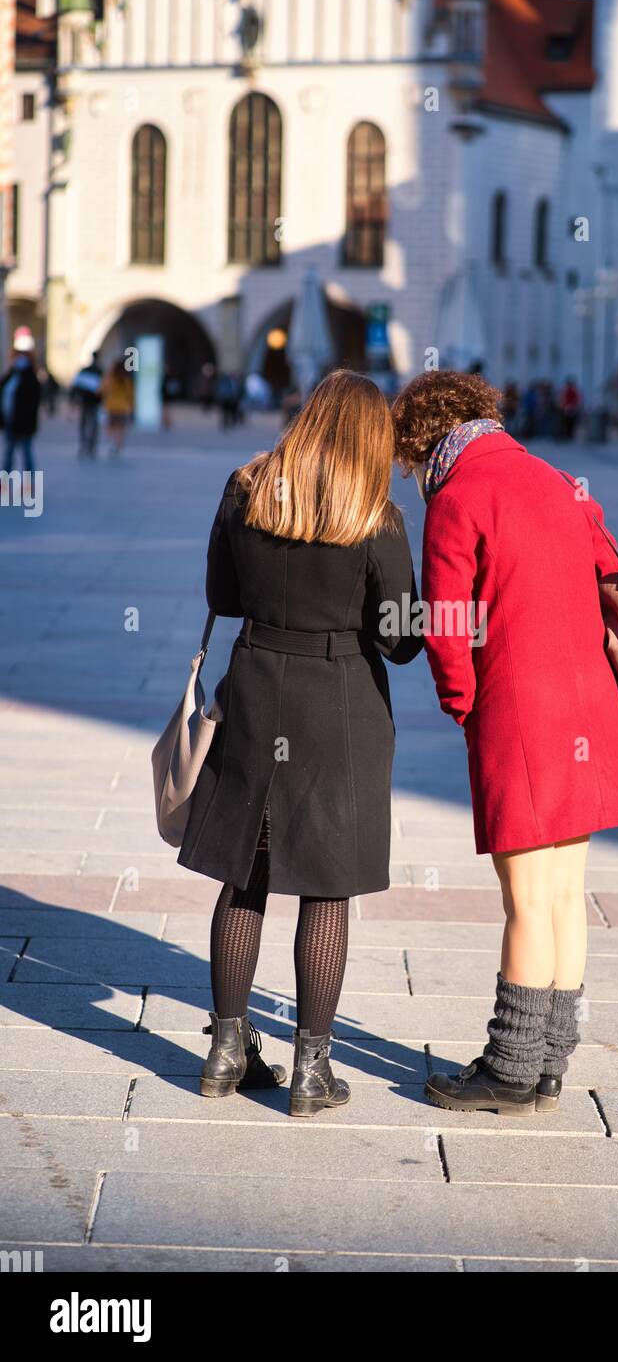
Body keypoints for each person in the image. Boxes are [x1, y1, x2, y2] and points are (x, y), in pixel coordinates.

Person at [391, 371, 618, 1115]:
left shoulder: (460, 495)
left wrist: (463, 705)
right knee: (565, 895)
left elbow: (443, 625)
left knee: (527, 900)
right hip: (590, 711)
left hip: (520, 712)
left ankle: (508, 1068)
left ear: (422, 440)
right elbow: (612, 576)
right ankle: (550, 1064)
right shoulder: (557, 478)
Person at [178, 370, 422, 1115]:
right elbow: (401, 639)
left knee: (243, 873)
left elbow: (221, 597)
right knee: (326, 885)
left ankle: (226, 1047)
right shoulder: (372, 514)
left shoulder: (245, 486)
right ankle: (312, 1073)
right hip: (340, 702)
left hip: (256, 687)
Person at [0, 329, 42, 477]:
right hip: (10, 422)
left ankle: (30, 486)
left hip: (24, 425)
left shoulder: (31, 380)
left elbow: (34, 402)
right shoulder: (9, 377)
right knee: (8, 455)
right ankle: (3, 484)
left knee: (26, 454)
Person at [70, 352, 103, 457]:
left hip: (85, 401)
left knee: (84, 423)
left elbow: (76, 385)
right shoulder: (100, 371)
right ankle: (91, 446)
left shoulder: (85, 370)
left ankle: (83, 445)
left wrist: (74, 399)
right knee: (93, 424)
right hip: (95, 402)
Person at [100, 359, 135, 456]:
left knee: (110, 427)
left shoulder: (110, 379)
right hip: (123, 407)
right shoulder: (126, 380)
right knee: (121, 428)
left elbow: (102, 390)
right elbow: (131, 395)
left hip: (111, 406)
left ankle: (111, 444)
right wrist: (131, 407)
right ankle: (118, 446)